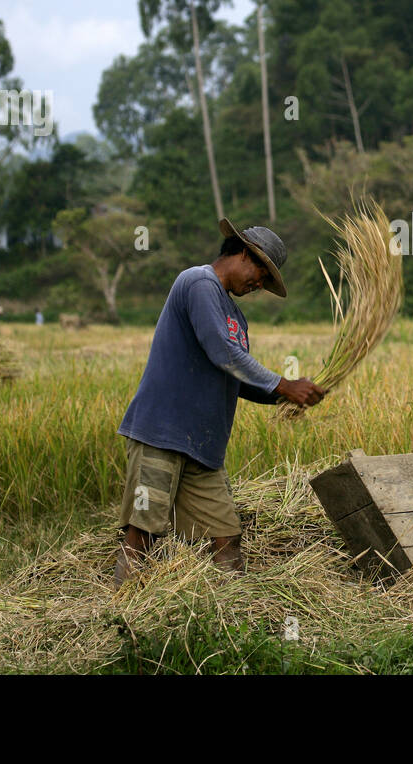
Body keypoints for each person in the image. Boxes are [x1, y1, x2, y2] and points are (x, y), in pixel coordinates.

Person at [113, 218, 325, 588]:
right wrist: (283, 383)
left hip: (201, 448)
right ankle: (119, 614)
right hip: (161, 435)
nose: (259, 284)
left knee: (226, 536)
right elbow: (222, 352)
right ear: (243, 253)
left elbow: (233, 376)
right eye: (261, 273)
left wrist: (283, 395)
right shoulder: (198, 283)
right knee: (142, 532)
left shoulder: (234, 316)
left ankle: (231, 614)